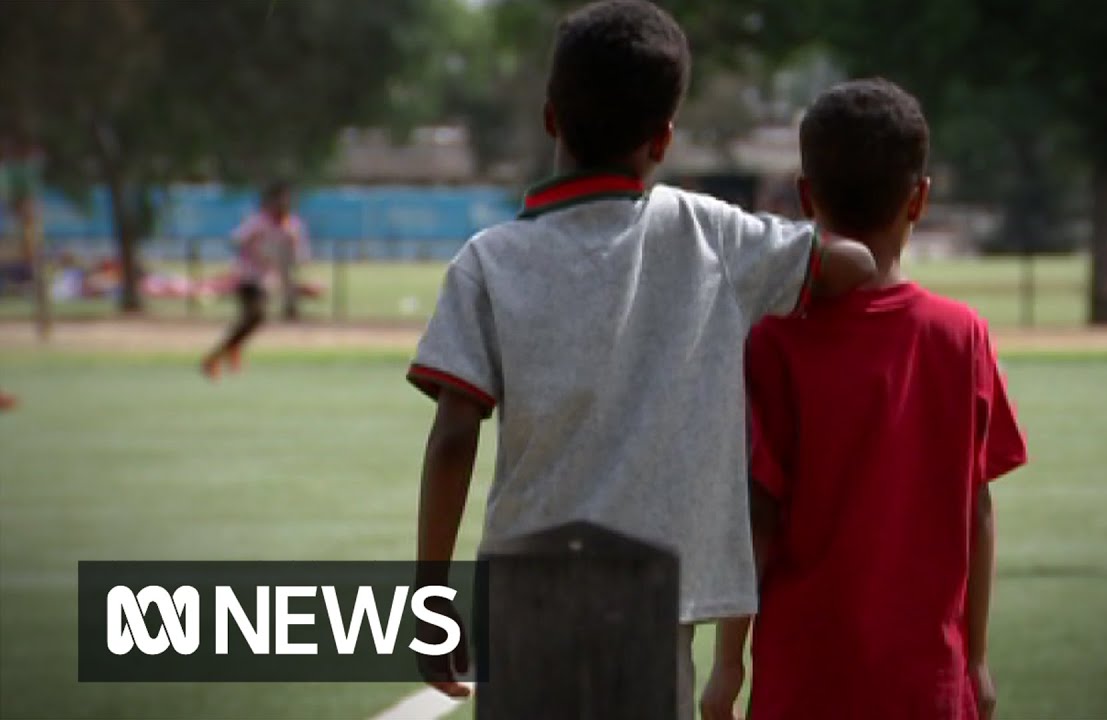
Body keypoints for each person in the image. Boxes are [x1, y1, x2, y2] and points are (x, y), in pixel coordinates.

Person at [405, 1, 875, 715]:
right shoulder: (710, 233)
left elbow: (452, 439)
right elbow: (852, 265)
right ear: (663, 140)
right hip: (659, 596)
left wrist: (429, 591)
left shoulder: (487, 261)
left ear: (550, 118)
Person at [701, 79, 1028, 720]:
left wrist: (726, 666)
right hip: (927, 678)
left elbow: (756, 519)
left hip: (803, 677)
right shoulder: (962, 335)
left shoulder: (771, 341)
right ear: (920, 200)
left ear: (804, 196)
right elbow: (977, 508)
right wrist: (978, 658)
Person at [200, 181, 308, 379]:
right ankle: (217, 356)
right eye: (280, 199)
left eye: (287, 199)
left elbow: (295, 258)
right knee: (256, 315)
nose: (284, 203)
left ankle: (227, 351)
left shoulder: (291, 226)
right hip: (248, 276)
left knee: (253, 319)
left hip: (266, 279)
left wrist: (291, 277)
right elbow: (236, 240)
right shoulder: (259, 222)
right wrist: (256, 250)